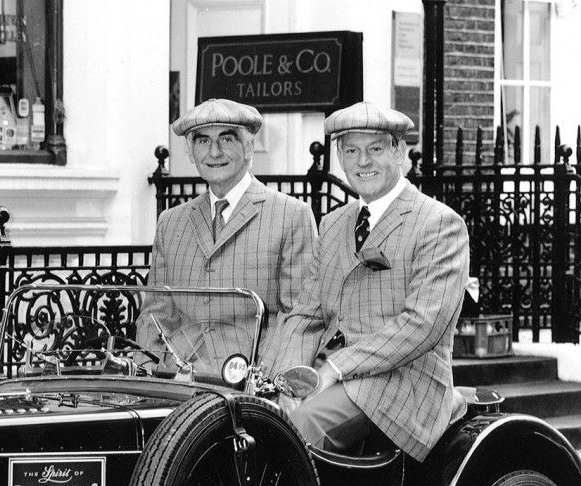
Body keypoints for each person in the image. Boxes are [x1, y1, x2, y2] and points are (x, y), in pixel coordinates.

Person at [265, 101, 470, 461]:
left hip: (401, 383)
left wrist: (335, 368)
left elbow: (422, 325)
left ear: (399, 151)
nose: (362, 162)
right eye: (351, 151)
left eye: (375, 149)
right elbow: (305, 314)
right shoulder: (332, 224)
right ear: (340, 157)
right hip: (328, 377)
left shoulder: (438, 223)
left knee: (300, 428)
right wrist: (286, 379)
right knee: (258, 419)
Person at [137, 98, 316, 376]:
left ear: (248, 147)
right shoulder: (170, 222)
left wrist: (260, 377)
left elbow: (296, 316)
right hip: (178, 378)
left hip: (251, 379)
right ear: (191, 152)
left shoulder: (291, 215)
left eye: (227, 139)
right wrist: (147, 369)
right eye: (202, 141)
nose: (215, 152)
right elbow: (156, 314)